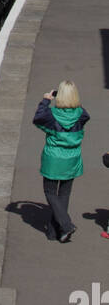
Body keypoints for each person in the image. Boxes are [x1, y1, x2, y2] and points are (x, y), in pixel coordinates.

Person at [33, 81, 90, 242]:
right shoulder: (81, 115)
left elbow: (38, 118)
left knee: (50, 192)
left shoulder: (51, 116)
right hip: (72, 159)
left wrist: (45, 100)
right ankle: (54, 232)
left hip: (54, 159)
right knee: (63, 194)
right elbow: (84, 113)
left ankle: (66, 225)